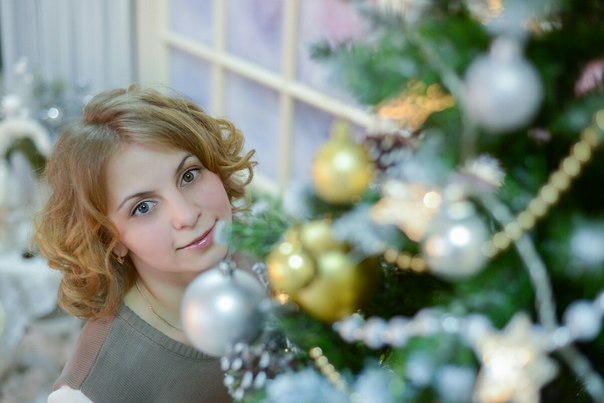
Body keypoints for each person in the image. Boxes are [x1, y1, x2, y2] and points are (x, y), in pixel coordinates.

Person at [34, 84, 256, 402]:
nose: (186, 215)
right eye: (143, 207)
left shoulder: (268, 257)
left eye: (189, 175)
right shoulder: (91, 392)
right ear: (111, 239)